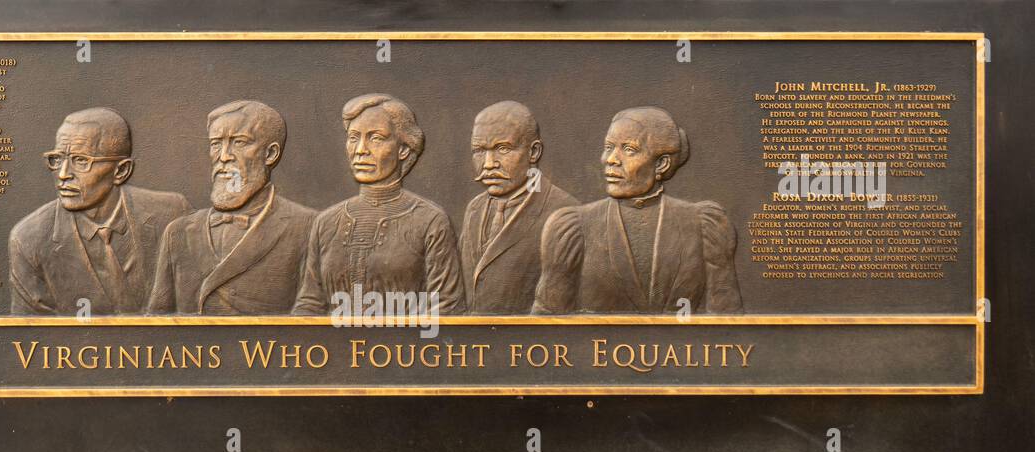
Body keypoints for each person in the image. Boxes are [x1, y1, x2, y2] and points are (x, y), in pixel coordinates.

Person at [533, 106, 743, 314]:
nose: (610, 159)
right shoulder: (573, 228)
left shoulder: (704, 225)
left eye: (629, 149)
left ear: (661, 164)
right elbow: (545, 327)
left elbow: (729, 322)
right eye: (608, 147)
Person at [293, 94, 465, 315]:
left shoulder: (430, 221)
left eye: (375, 138)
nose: (360, 150)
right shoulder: (326, 222)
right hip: (333, 348)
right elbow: (309, 307)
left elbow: (446, 312)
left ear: (403, 149)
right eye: (354, 137)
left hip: (408, 348)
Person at [9, 107, 191, 315]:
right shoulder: (29, 239)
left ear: (121, 171)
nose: (63, 174)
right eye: (57, 159)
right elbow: (31, 337)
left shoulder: (172, 214)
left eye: (80, 161)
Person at [146, 100, 315, 314]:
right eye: (216, 144)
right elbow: (155, 328)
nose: (224, 156)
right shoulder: (177, 233)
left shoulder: (308, 228)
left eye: (239, 142)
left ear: (270, 154)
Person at [459, 101, 577, 314]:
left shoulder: (566, 214)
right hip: (471, 344)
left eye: (502, 149)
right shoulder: (474, 209)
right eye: (479, 150)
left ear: (534, 152)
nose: (488, 164)